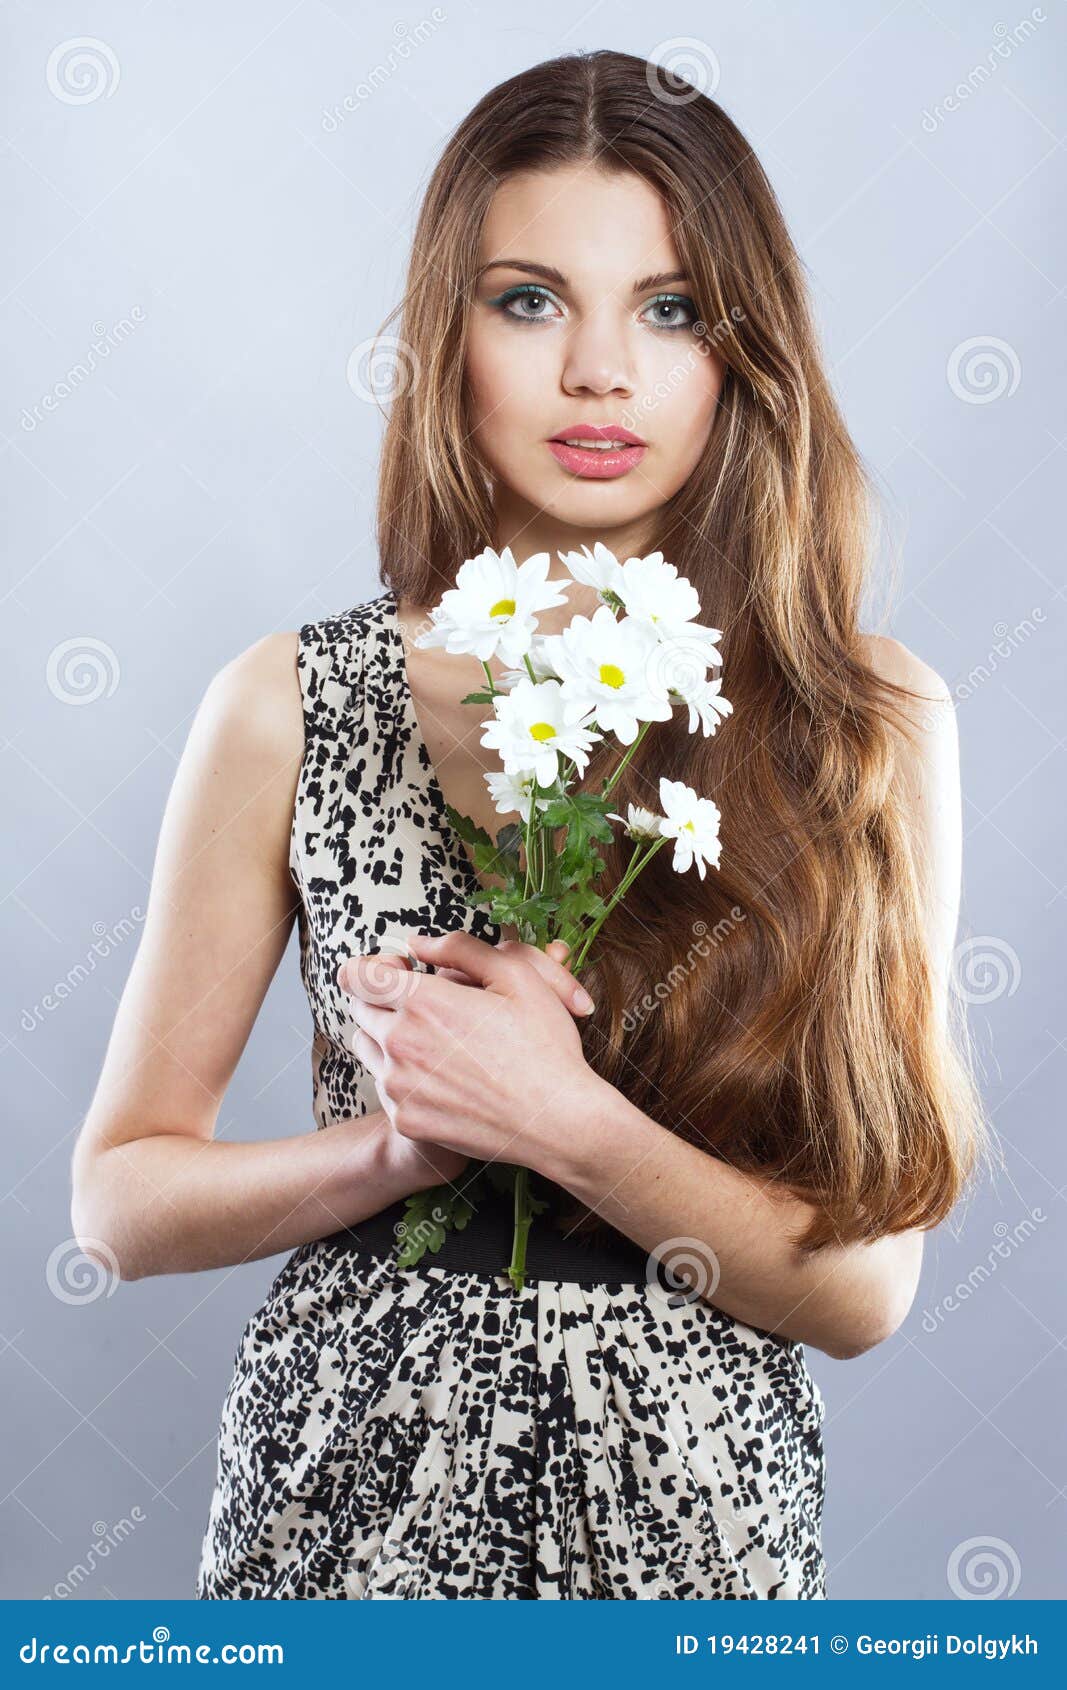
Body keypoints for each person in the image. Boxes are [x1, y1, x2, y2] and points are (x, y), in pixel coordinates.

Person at [70, 48, 988, 1600]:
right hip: (341, 1512)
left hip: (692, 1530)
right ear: (448, 334)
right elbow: (121, 1199)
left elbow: (866, 1284)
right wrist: (391, 1149)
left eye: (672, 307)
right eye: (530, 299)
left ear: (742, 349)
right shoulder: (293, 700)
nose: (602, 373)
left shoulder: (863, 719)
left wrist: (570, 1125)